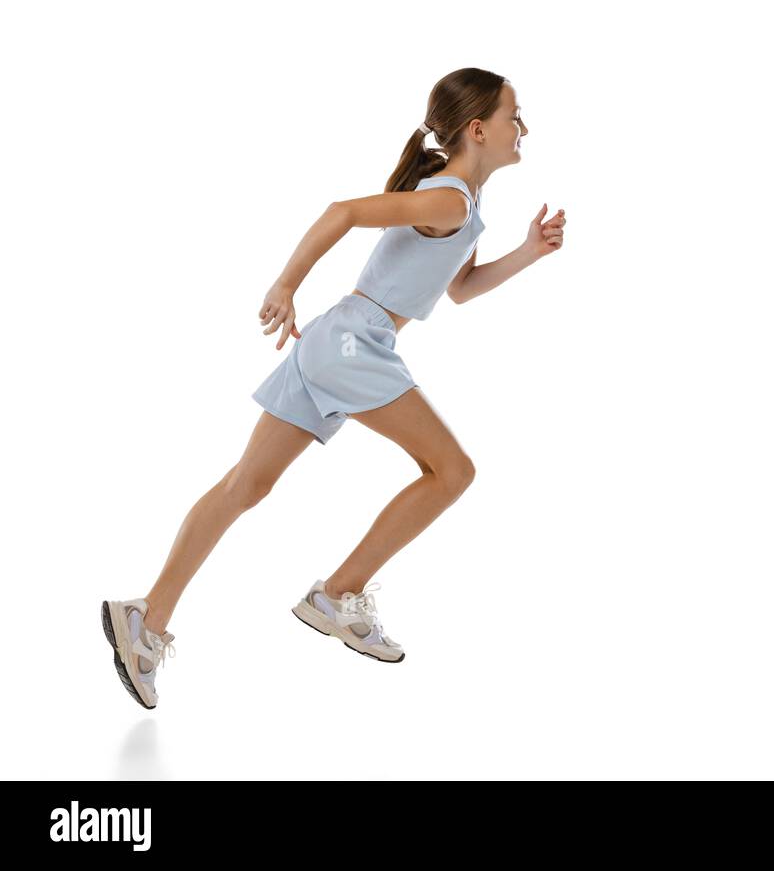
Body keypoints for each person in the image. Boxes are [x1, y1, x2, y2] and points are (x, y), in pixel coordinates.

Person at [100, 68, 566, 709]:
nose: (525, 127)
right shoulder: (450, 199)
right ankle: (338, 594)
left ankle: (145, 619)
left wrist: (527, 253)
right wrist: (285, 284)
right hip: (355, 341)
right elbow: (342, 212)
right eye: (516, 115)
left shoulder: (464, 205)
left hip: (337, 340)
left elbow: (459, 288)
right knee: (452, 471)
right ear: (479, 129)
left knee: (247, 485)